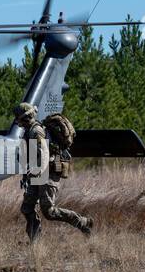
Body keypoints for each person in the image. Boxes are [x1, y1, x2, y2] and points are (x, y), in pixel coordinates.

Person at [14, 103, 92, 242]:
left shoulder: (36, 131)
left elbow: (43, 153)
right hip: (37, 173)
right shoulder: (29, 130)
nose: (17, 122)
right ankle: (35, 242)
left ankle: (83, 223)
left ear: (25, 118)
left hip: (47, 172)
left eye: (19, 118)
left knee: (49, 211)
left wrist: (39, 172)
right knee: (27, 208)